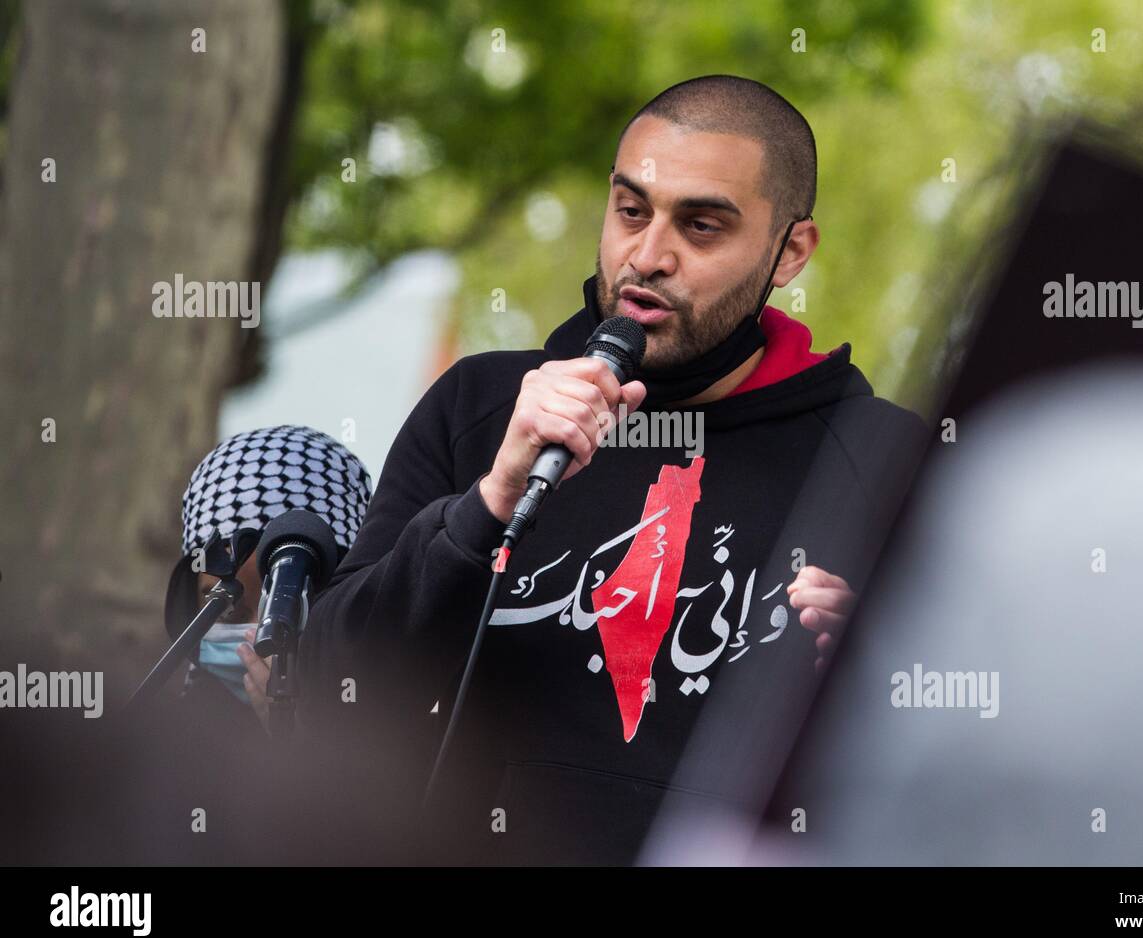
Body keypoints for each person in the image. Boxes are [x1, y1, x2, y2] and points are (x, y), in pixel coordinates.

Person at [298, 74, 930, 864]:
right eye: (632, 211)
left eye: (701, 227)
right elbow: (324, 684)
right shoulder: (482, 407)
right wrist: (488, 502)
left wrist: (886, 670)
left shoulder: (884, 459)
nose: (648, 256)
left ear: (789, 251)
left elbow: (977, 775)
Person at [162, 424, 373, 739]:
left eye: (290, 604)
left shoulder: (422, 744)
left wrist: (311, 750)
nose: (262, 637)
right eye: (226, 610)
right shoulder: (157, 757)